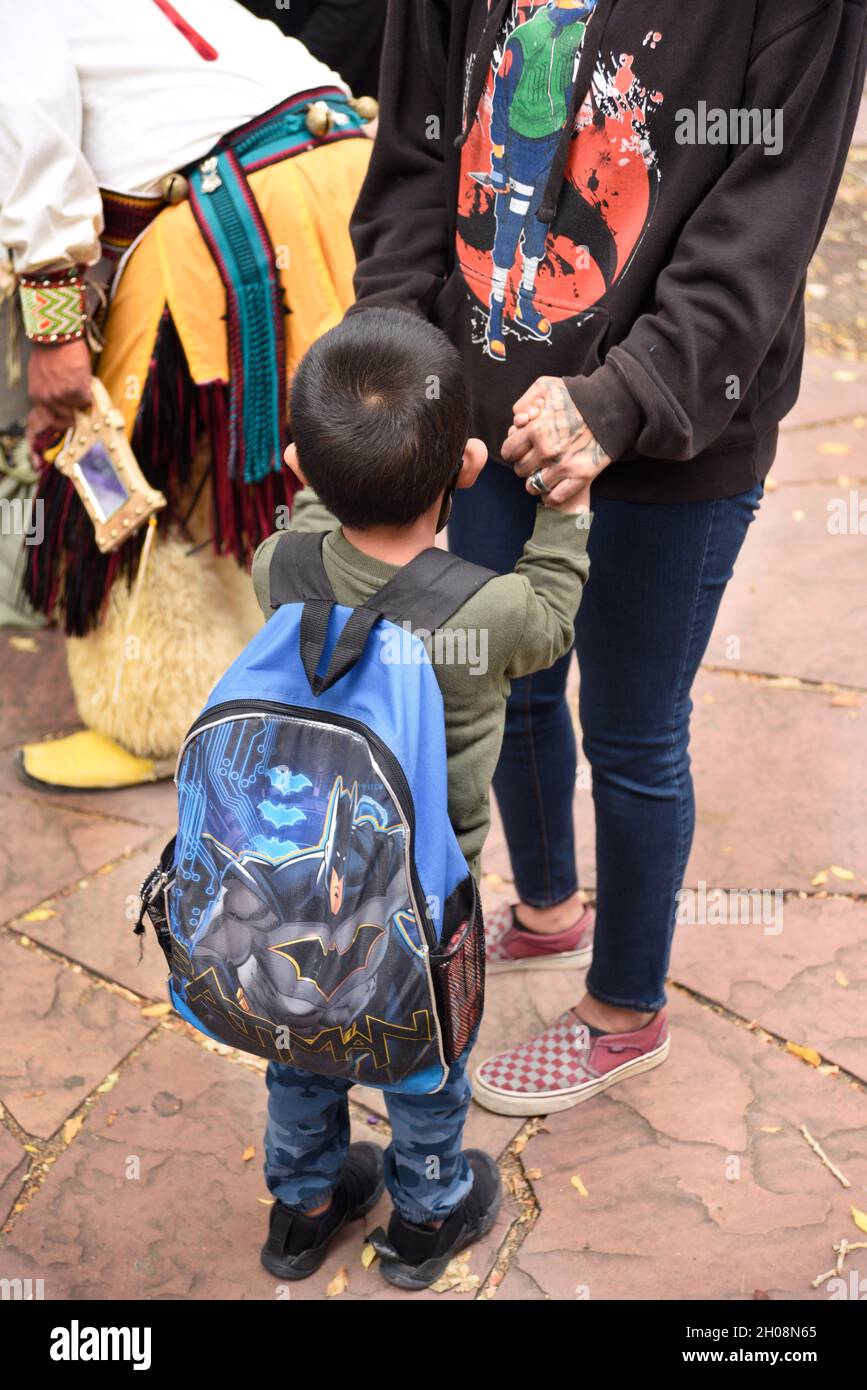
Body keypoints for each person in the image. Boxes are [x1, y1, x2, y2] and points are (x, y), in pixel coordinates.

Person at [345, 0, 867, 1115]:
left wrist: (627, 396)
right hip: (486, 402)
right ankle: (544, 910)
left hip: (675, 434)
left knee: (634, 731)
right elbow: (415, 146)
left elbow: (762, 218)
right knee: (511, 679)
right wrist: (398, 363)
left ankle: (627, 1005)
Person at [250, 306, 593, 1288]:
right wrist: (566, 505)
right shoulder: (486, 611)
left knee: (300, 1048)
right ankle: (429, 1218)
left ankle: (303, 1208)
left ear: (300, 469)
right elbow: (555, 610)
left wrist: (318, 484)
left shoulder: (284, 566)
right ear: (470, 465)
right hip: (424, 905)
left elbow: (317, 529)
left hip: (291, 885)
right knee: (427, 1062)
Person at [0, 0, 376, 791]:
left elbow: (29, 125)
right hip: (337, 172)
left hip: (226, 209)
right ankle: (264, 691)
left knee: (104, 476)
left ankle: (155, 723)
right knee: (247, 468)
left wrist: (54, 324)